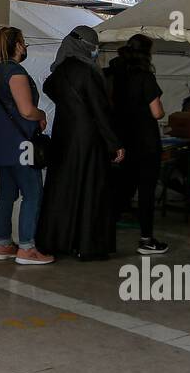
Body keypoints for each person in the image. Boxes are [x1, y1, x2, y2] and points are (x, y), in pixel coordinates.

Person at [36, 27, 125, 260]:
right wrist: (114, 143)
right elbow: (99, 110)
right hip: (88, 139)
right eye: (94, 46)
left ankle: (58, 241)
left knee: (63, 190)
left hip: (64, 136)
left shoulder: (58, 72)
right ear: (85, 46)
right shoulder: (88, 71)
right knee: (90, 192)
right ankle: (88, 246)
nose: (96, 51)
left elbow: (49, 89)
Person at [0, 26, 52, 265]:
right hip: (21, 145)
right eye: (22, 42)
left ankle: (4, 244)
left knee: (6, 194)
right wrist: (42, 114)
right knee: (32, 193)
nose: (25, 46)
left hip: (0, 144)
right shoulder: (16, 73)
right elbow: (27, 110)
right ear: (16, 45)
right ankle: (27, 248)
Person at [106, 33, 168, 255]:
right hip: (145, 142)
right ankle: (146, 239)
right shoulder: (144, 76)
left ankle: (103, 237)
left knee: (121, 190)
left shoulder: (114, 74)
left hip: (121, 140)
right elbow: (157, 112)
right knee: (146, 193)